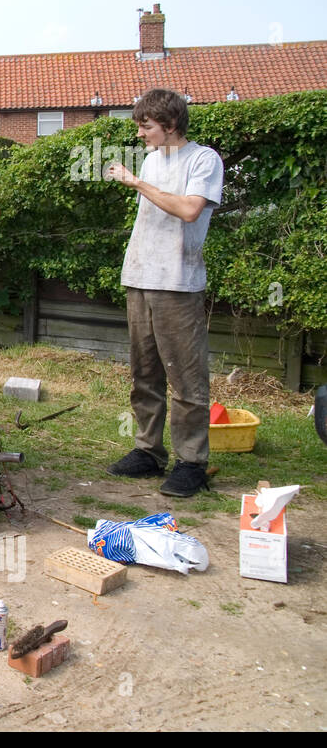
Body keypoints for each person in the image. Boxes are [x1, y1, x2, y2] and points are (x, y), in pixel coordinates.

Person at [104, 88, 224, 497]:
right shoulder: (154, 159)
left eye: (147, 126)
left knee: (187, 379)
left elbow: (190, 209)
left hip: (177, 282)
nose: (141, 134)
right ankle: (148, 452)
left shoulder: (204, 160)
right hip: (139, 277)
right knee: (144, 373)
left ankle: (191, 462)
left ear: (170, 125)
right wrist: (141, 178)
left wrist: (136, 182)